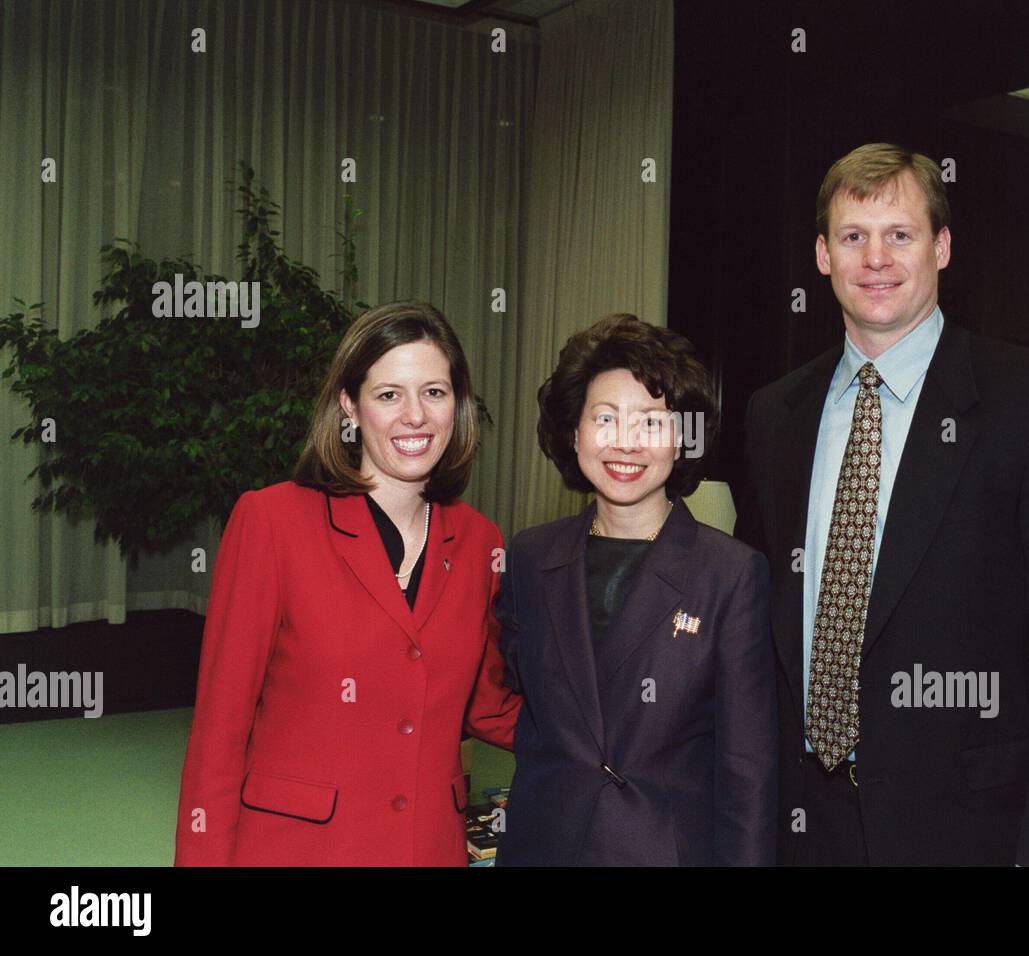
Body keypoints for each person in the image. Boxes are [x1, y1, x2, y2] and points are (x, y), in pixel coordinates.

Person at [733, 143, 1029, 866]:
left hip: (968, 832)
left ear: (942, 247)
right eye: (853, 236)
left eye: (901, 234)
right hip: (799, 824)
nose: (875, 258)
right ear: (823, 255)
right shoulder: (774, 415)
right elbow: (760, 621)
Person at [174, 301, 520, 866]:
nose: (416, 415)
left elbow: (487, 705)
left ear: (458, 407)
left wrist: (618, 729)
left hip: (426, 849)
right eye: (389, 395)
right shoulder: (272, 522)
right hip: (297, 851)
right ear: (349, 407)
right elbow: (219, 731)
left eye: (434, 392)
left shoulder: (482, 541)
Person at [494, 314, 777, 866]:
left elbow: (748, 772)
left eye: (651, 421)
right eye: (604, 418)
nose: (625, 442)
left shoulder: (731, 575)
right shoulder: (529, 557)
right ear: (574, 432)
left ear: (681, 441)